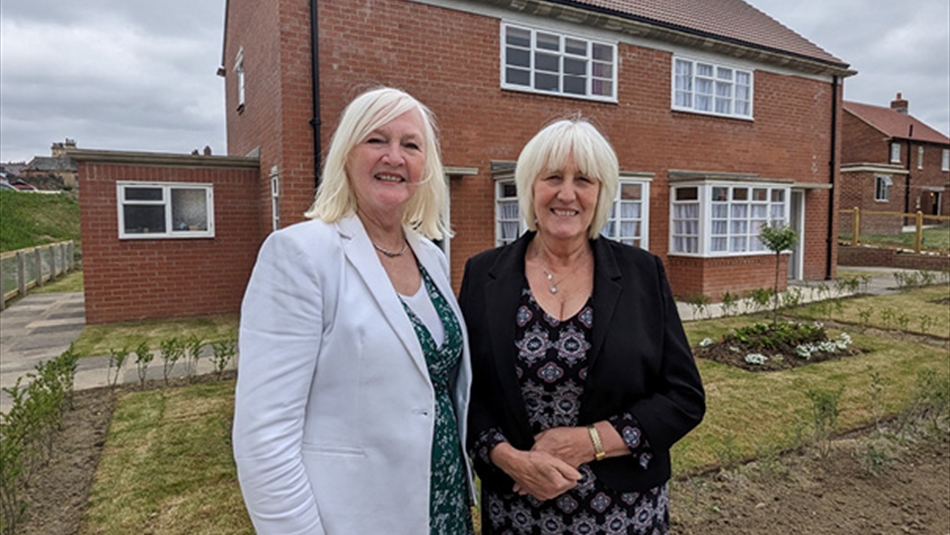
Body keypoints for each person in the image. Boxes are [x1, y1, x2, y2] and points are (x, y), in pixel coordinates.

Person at [233, 87, 474, 535]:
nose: (394, 157)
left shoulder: (432, 257)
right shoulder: (301, 255)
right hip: (357, 516)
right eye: (376, 140)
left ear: (426, 167)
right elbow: (264, 436)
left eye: (411, 145)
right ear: (346, 154)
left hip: (442, 504)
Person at [459, 118, 705, 534]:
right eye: (552, 177)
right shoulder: (484, 274)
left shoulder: (642, 274)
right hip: (519, 510)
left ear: (601, 193)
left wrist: (590, 442)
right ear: (530, 187)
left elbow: (683, 398)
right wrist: (506, 457)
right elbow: (467, 394)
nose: (566, 193)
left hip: (625, 513)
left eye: (584, 180)